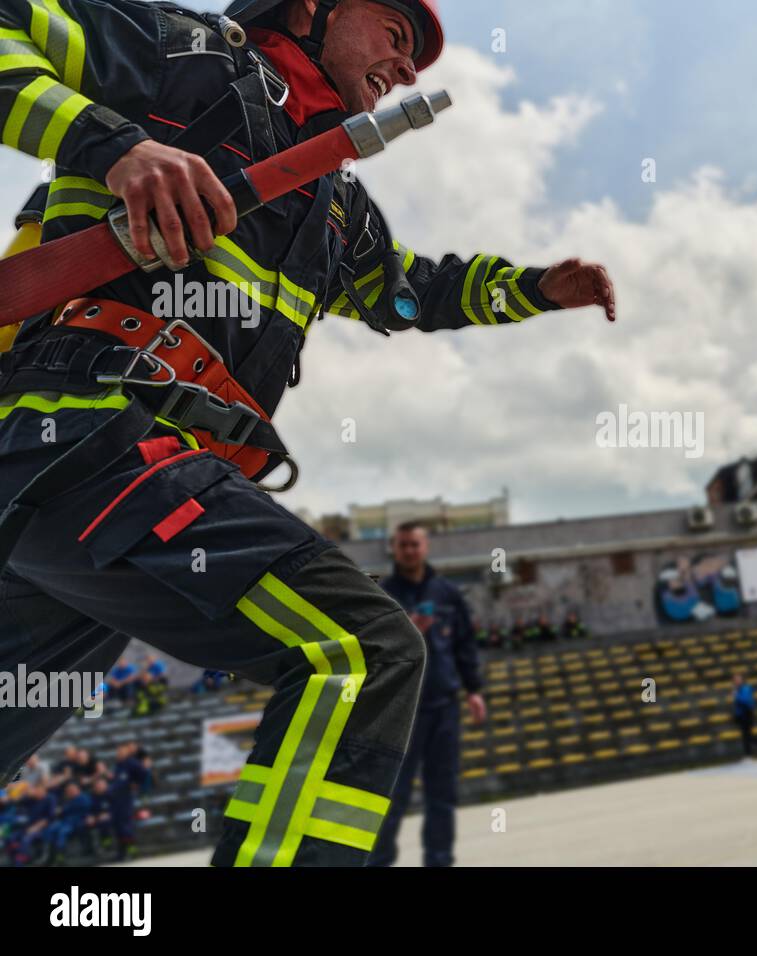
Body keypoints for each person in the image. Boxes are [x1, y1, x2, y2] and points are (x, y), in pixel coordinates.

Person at [0, 0, 614, 867]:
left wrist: (532, 289)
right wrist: (114, 146)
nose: (407, 71)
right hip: (89, 437)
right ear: (313, 6)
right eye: (397, 38)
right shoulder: (189, 58)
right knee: (358, 649)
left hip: (84, 507)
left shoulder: (334, 209)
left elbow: (409, 292)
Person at [369, 522, 487, 867]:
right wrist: (405, 631)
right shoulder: (382, 595)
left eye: (415, 544)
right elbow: (370, 649)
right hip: (399, 711)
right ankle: (379, 861)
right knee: (391, 796)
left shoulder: (448, 594)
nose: (409, 550)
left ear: (426, 547)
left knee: (442, 795)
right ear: (394, 548)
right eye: (403, 545)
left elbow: (465, 644)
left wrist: (474, 690)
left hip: (443, 708)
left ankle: (439, 860)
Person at [731, 673, 757, 758]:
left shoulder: (746, 688)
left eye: (738, 679)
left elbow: (746, 701)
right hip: (741, 715)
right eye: (735, 679)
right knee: (746, 735)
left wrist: (736, 695)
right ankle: (750, 753)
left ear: (742, 680)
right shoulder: (737, 689)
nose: (736, 681)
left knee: (747, 735)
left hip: (747, 714)